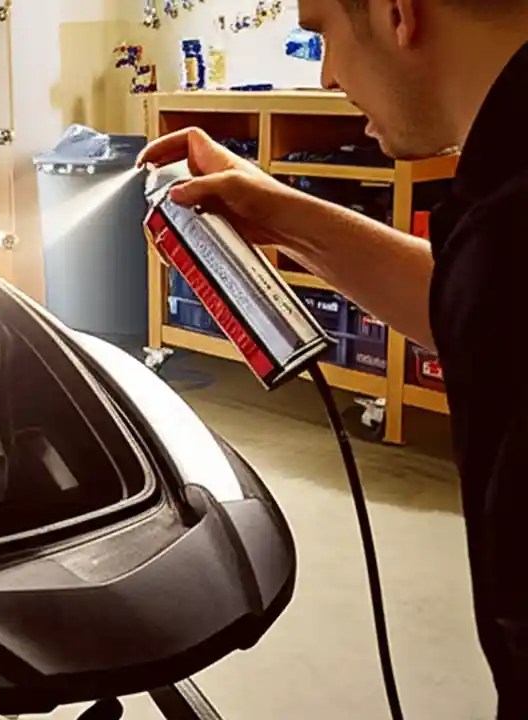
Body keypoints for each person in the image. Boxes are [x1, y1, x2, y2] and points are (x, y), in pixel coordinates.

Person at [137, 0, 528, 715]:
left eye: (319, 32)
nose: (324, 77)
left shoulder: (513, 227)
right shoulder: (503, 221)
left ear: (395, 12)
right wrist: (281, 212)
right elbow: (467, 306)